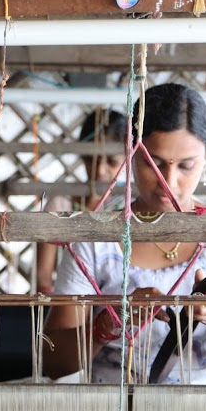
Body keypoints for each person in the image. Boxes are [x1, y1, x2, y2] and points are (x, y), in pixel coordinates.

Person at [43, 83, 206, 385]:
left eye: (186, 166)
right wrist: (109, 323)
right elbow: (53, 362)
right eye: (153, 163)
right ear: (130, 150)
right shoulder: (94, 237)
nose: (168, 182)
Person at [35, 110, 127, 294]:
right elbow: (43, 278)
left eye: (111, 161)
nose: (100, 171)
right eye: (91, 159)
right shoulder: (61, 204)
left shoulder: (131, 205)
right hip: (69, 300)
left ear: (127, 158)